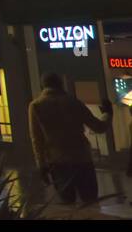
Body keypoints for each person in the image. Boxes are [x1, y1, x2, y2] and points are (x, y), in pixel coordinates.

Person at [28, 72, 113, 206]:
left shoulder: (36, 106)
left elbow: (36, 139)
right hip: (82, 158)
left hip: (57, 161)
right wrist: (107, 114)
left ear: (43, 85)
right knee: (90, 201)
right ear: (61, 84)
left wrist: (41, 165)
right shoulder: (73, 102)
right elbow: (98, 127)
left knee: (68, 204)